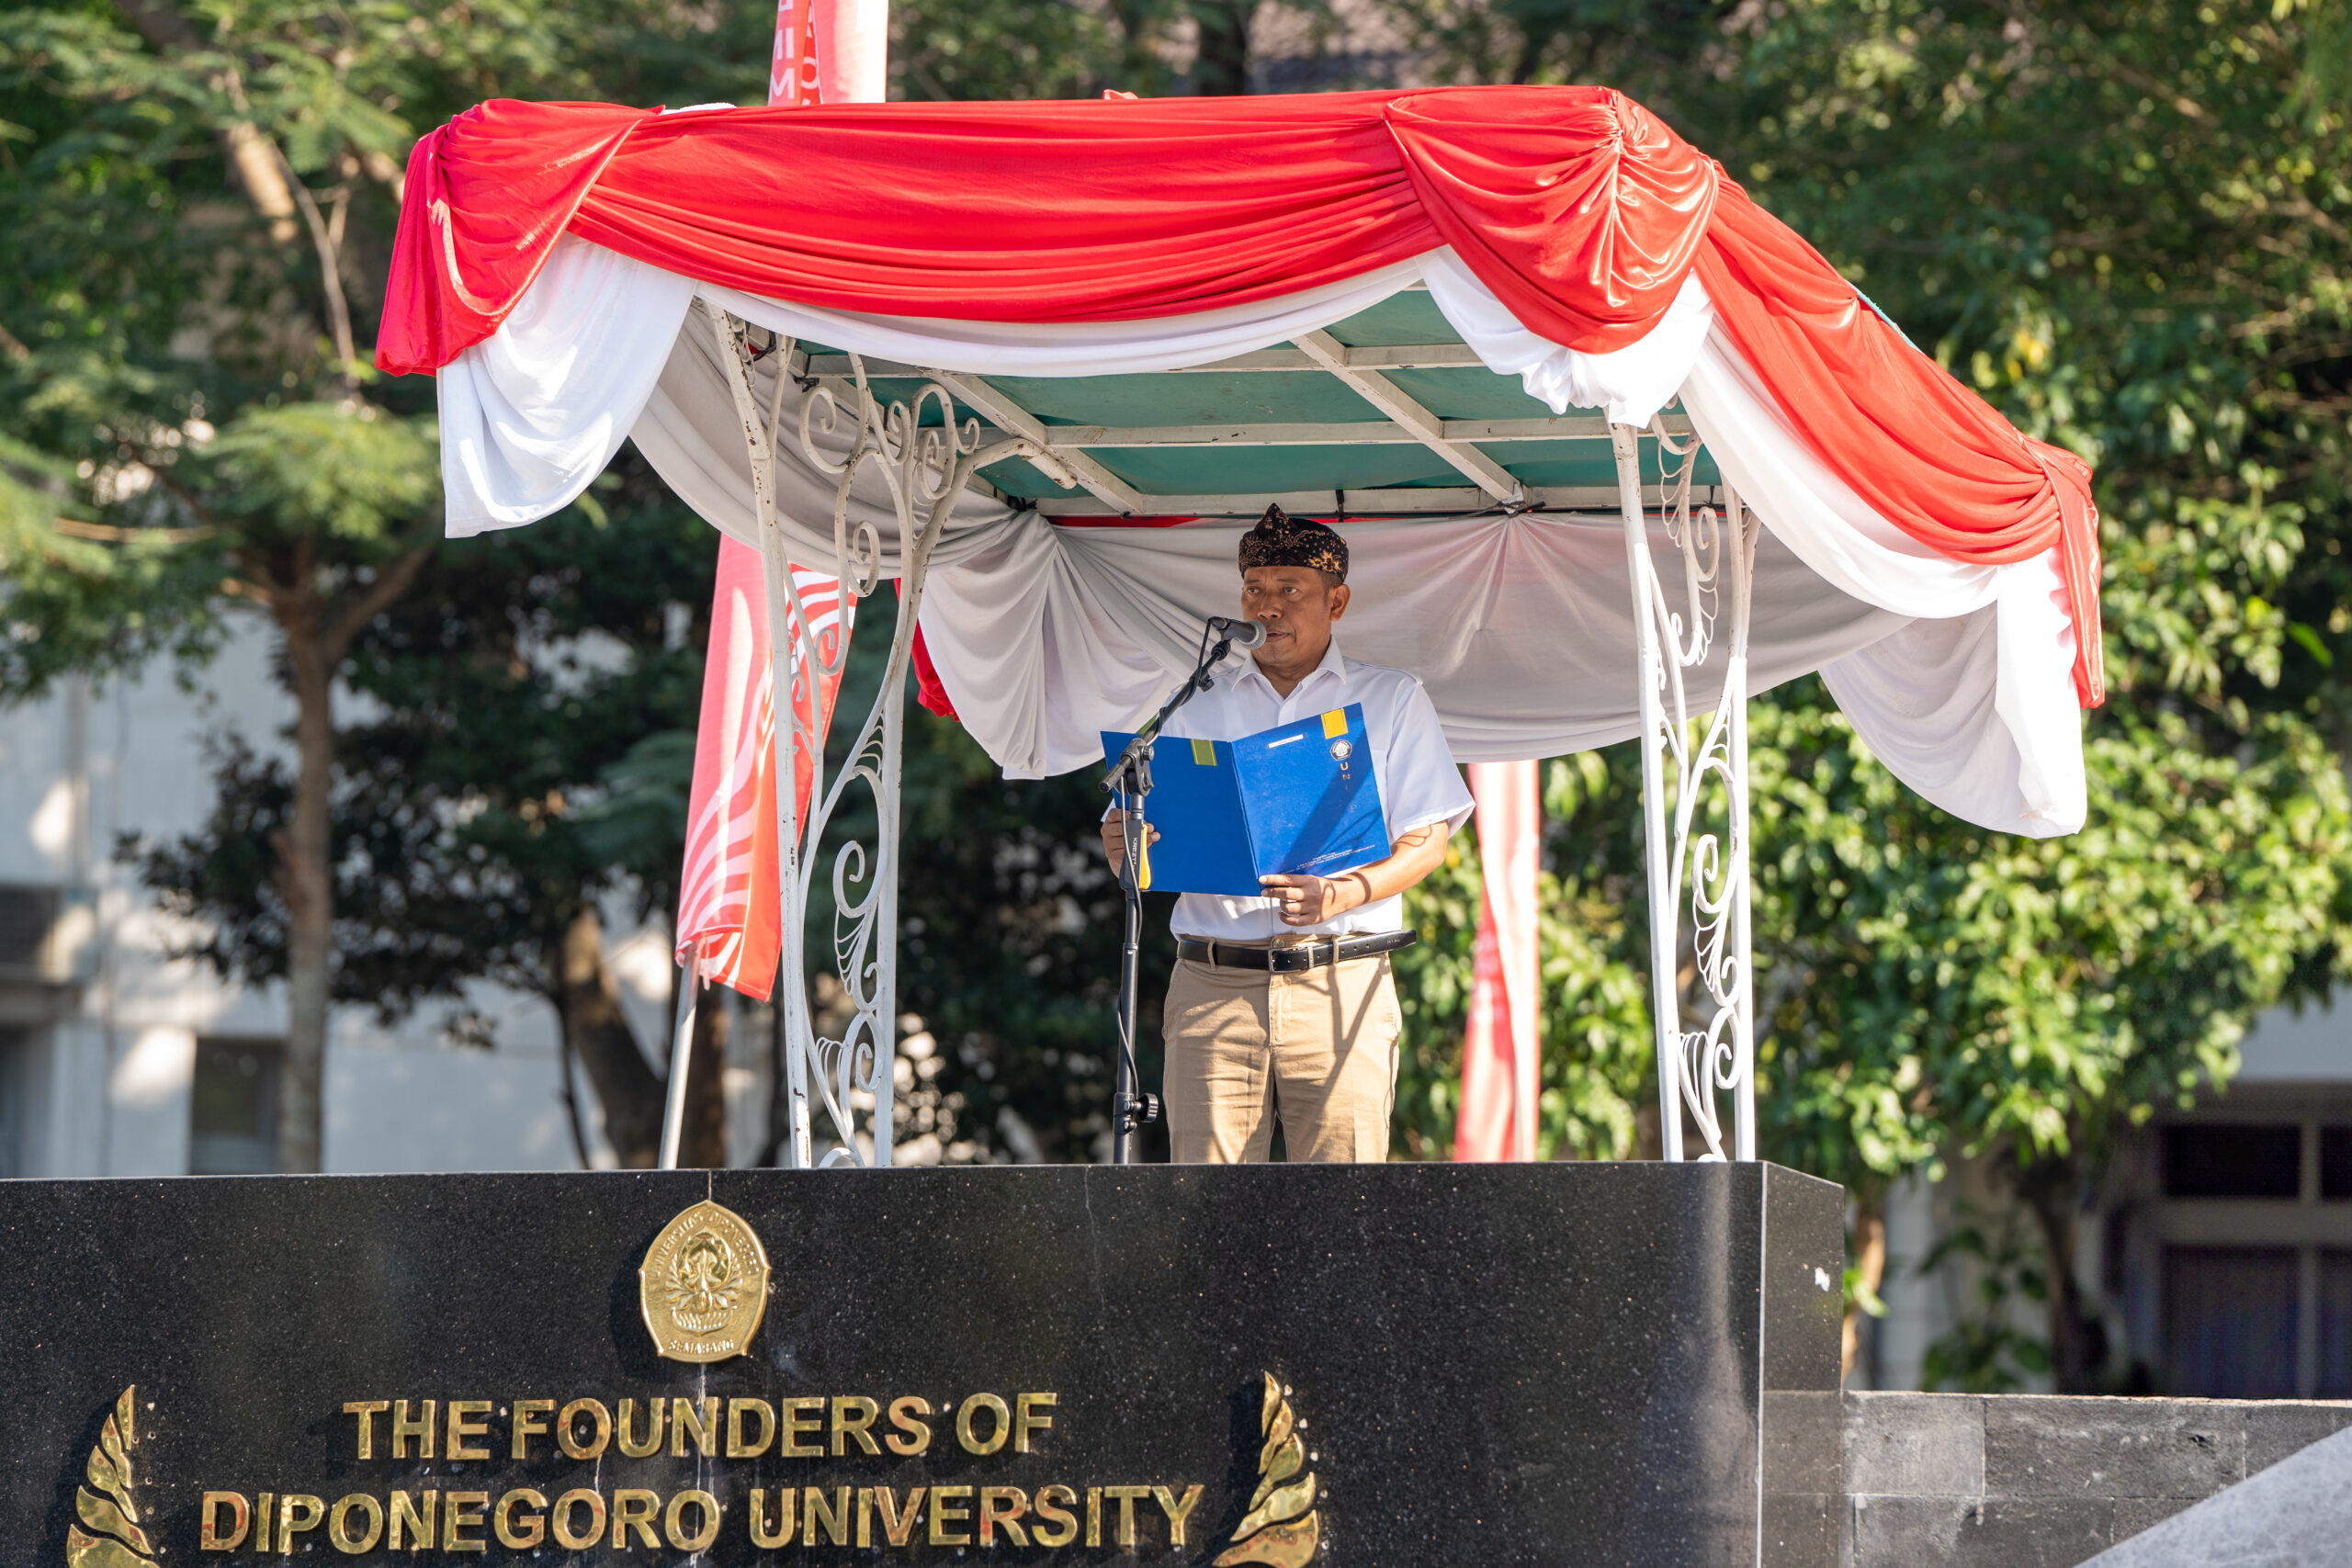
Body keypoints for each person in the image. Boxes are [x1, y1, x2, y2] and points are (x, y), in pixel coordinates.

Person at [1101, 506, 1473, 1163]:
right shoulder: (1194, 701)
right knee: (1208, 1211)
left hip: (1339, 980)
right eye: (1254, 589)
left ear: (1338, 601)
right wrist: (1123, 840)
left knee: (1338, 1213)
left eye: (1288, 590)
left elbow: (1429, 840)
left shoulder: (1389, 699)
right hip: (1215, 985)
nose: (1267, 606)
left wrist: (1340, 896)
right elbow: (1125, 814)